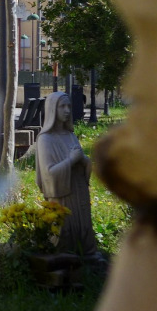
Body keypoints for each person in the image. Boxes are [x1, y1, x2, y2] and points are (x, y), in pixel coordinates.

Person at [35, 91, 99, 257]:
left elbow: (81, 160)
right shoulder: (45, 139)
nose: (67, 110)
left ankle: (86, 254)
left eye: (69, 106)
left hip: (78, 192)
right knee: (64, 234)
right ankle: (66, 256)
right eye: (62, 106)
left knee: (83, 229)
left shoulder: (71, 136)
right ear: (51, 109)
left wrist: (84, 161)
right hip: (62, 196)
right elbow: (48, 174)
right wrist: (71, 161)